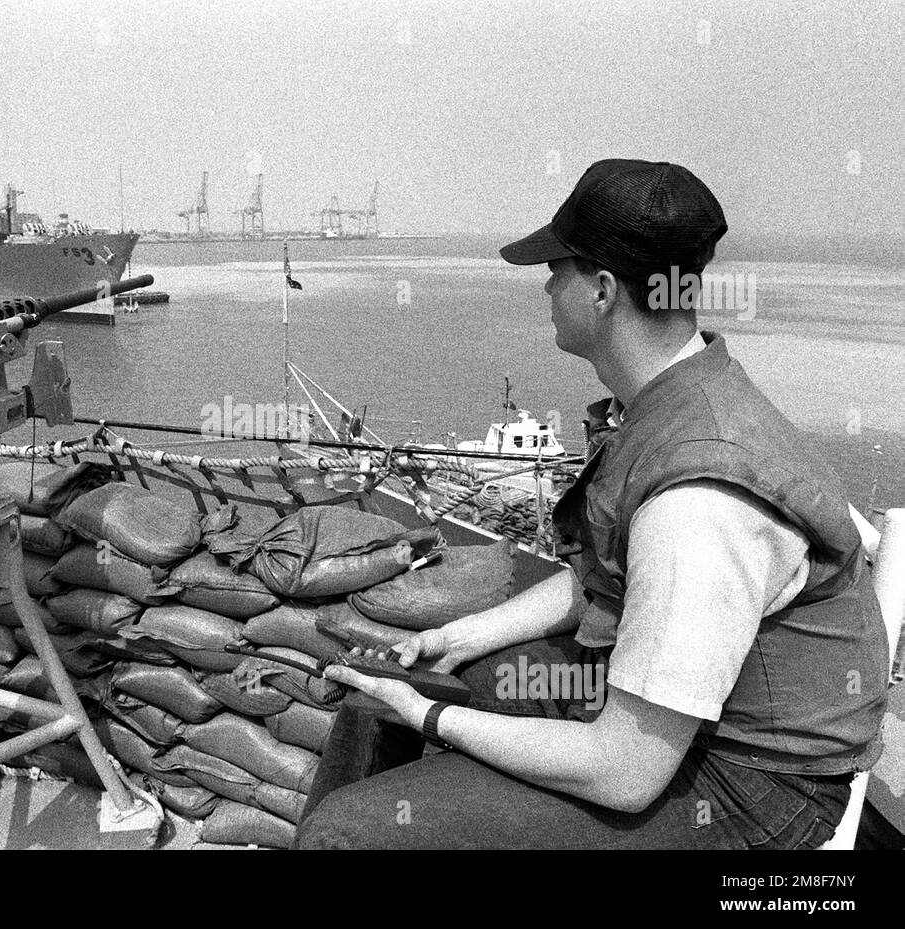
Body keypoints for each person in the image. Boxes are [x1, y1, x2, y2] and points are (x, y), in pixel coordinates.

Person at [294, 159, 890, 849]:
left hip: (748, 784)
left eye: (559, 265)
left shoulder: (695, 500)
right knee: (387, 688)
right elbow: (598, 583)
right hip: (689, 724)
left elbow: (627, 772)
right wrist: (454, 642)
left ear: (603, 290)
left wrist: (433, 717)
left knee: (348, 830)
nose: (547, 283)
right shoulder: (666, 403)